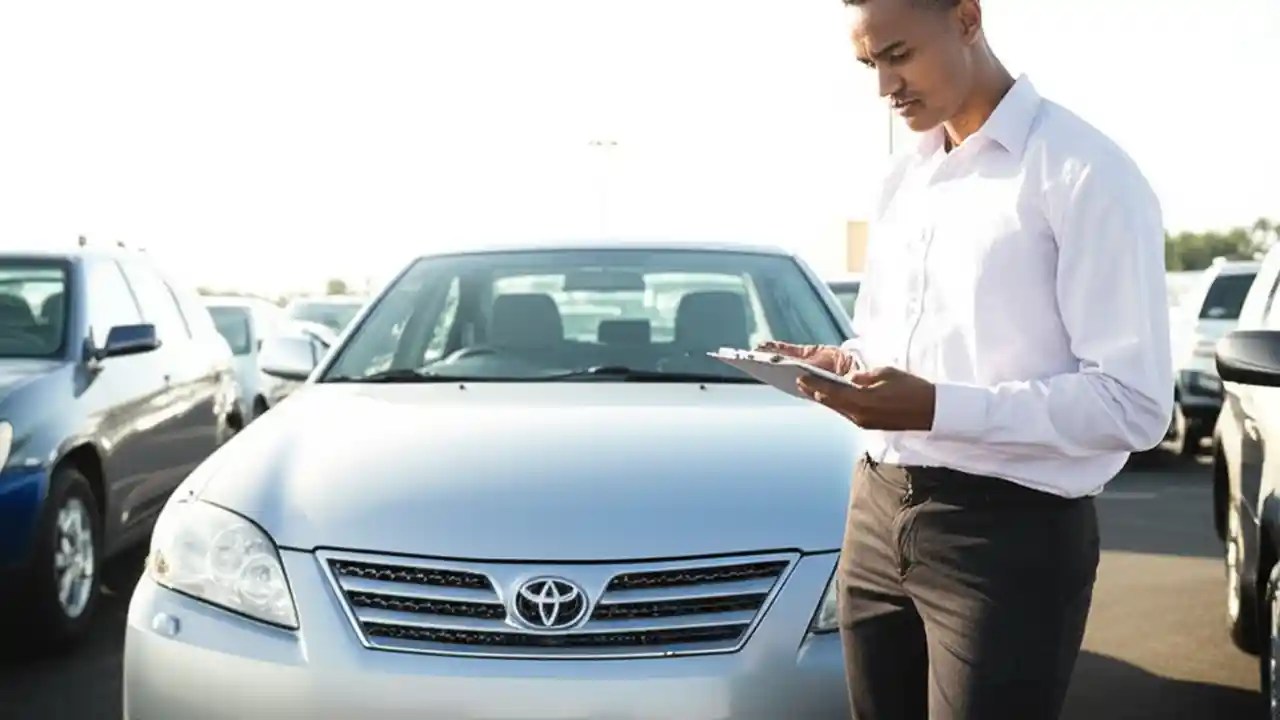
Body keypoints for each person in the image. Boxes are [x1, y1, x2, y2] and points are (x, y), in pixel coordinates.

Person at [760, 0, 1173, 718]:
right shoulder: (904, 177)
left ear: (967, 17)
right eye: (869, 64)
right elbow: (899, 345)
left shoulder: (1085, 172)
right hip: (873, 510)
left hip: (1007, 533)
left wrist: (936, 405)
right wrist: (843, 363)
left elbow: (1134, 405)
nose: (885, 87)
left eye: (897, 55)